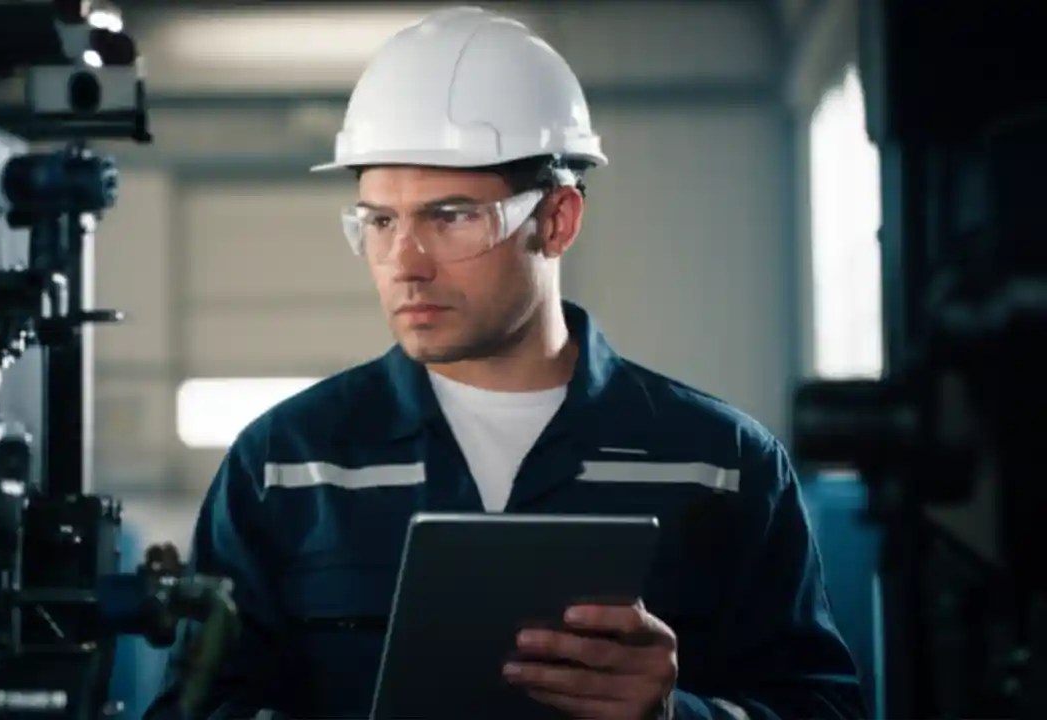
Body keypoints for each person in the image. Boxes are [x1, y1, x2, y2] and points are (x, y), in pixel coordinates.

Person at [146, 6, 867, 720]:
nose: (405, 264)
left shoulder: (722, 464)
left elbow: (826, 708)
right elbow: (192, 708)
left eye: (451, 215)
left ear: (556, 220)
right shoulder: (285, 464)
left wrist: (676, 715)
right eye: (379, 221)